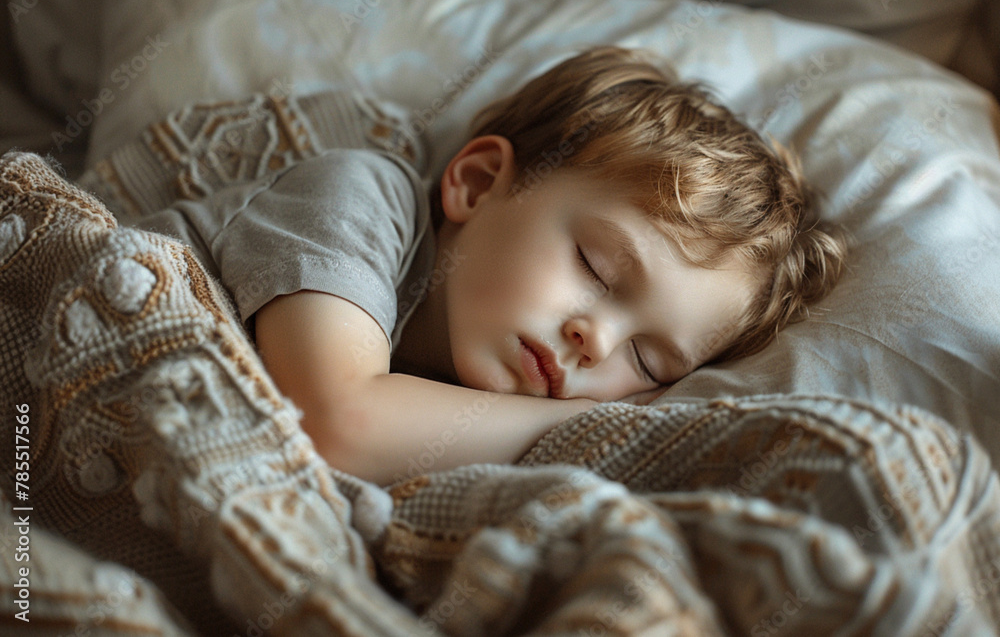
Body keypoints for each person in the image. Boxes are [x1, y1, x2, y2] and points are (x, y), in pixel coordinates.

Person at [134, 46, 846, 486]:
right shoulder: (359, 197)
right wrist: (591, 422)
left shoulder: (466, 432)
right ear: (477, 185)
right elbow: (334, 423)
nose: (596, 341)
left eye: (649, 360)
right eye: (596, 267)